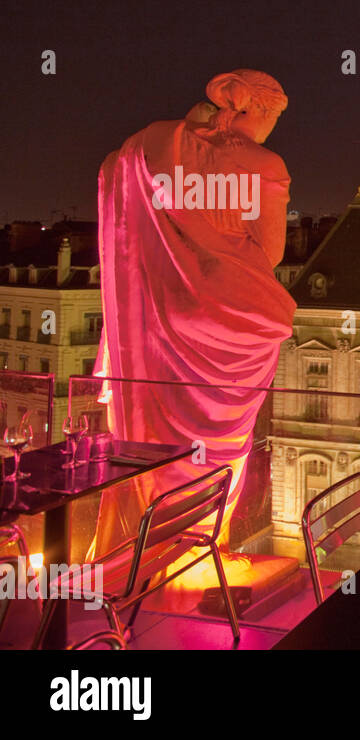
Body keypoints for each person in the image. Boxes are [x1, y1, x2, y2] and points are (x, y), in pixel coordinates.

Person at [91, 70, 294, 555]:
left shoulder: (162, 145)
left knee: (161, 435)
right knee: (224, 446)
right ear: (258, 112)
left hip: (168, 313)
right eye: (273, 118)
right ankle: (197, 541)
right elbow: (270, 251)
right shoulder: (265, 163)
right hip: (235, 315)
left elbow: (116, 176)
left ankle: (150, 544)